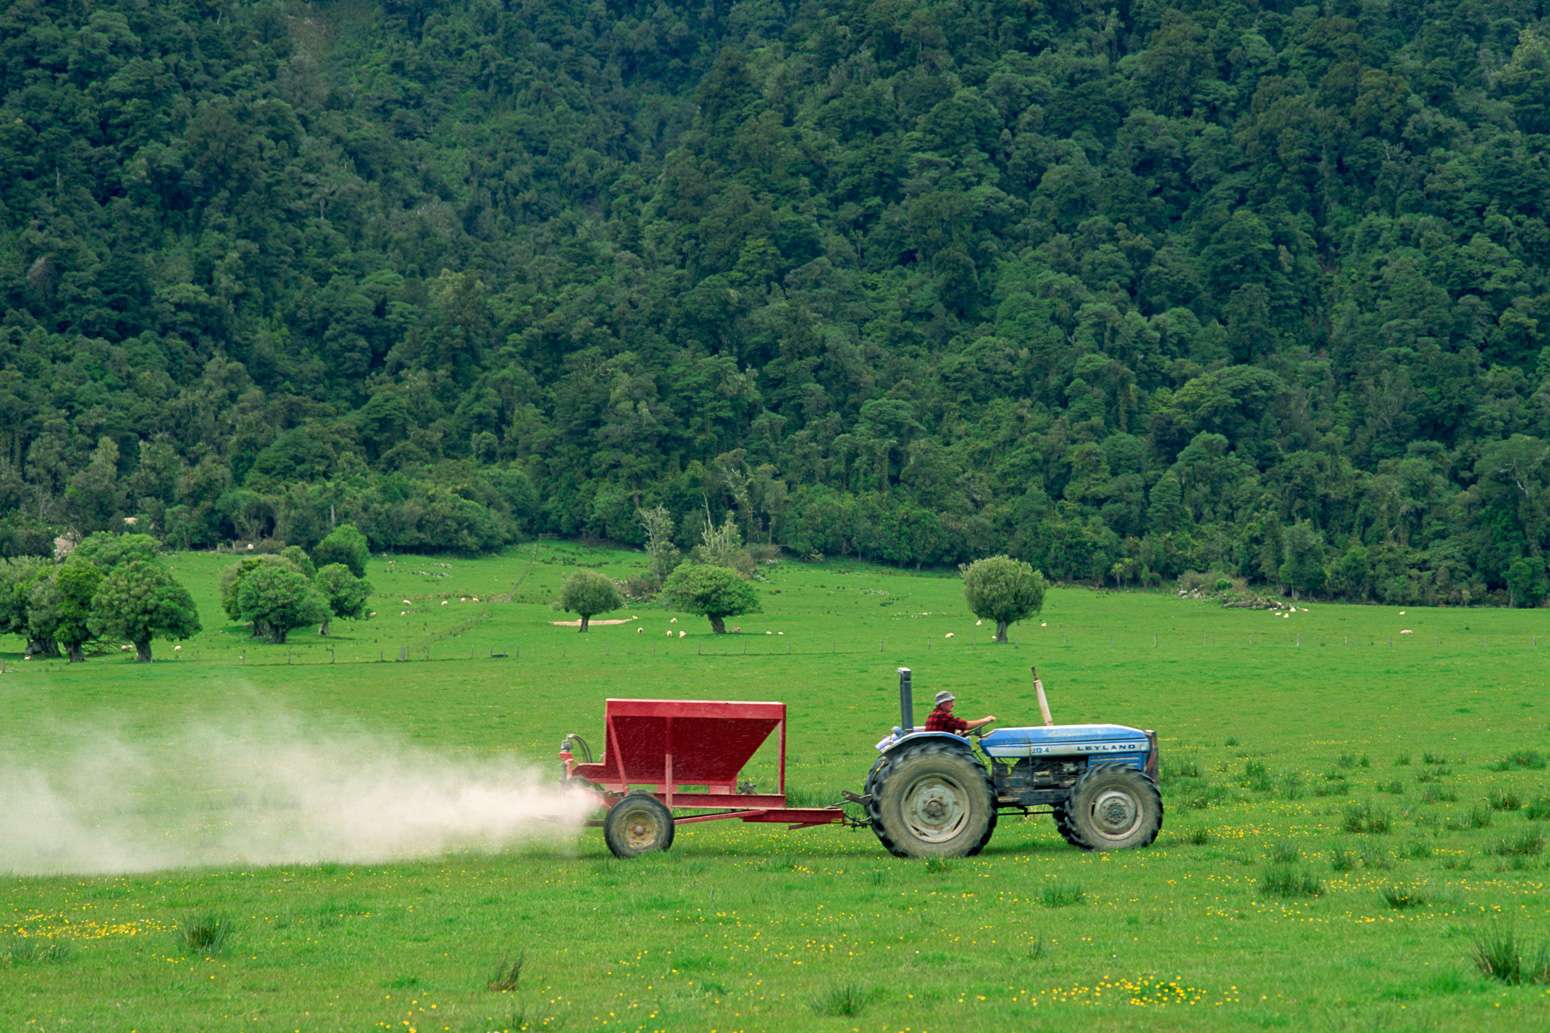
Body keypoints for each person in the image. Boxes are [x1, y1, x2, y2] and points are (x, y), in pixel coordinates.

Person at [923, 690, 995, 736]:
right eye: (950, 702)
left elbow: (944, 731)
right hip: (941, 745)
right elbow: (966, 725)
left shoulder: (934, 714)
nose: (953, 705)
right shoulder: (942, 715)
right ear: (942, 704)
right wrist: (985, 720)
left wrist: (958, 733)